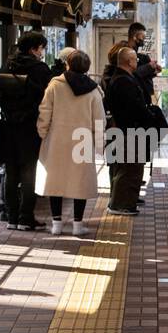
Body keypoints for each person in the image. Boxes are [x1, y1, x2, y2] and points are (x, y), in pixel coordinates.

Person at [37, 49, 104, 236]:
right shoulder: (94, 90)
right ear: (87, 67)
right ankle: (77, 225)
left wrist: (43, 133)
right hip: (82, 140)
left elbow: (45, 112)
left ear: (67, 64)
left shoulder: (55, 86)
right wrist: (99, 145)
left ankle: (56, 224)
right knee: (79, 182)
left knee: (55, 180)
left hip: (57, 138)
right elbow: (99, 120)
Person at [0, 31, 54, 231]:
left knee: (11, 172)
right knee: (29, 173)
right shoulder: (40, 69)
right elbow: (46, 97)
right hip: (29, 127)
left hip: (8, 126)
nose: (42, 52)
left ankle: (11, 217)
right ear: (34, 48)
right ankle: (25, 217)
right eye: (41, 48)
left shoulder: (7, 66)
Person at [104, 46, 161, 215]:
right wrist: (149, 117)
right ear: (129, 61)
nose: (137, 62)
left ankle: (124, 202)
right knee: (129, 169)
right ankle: (120, 205)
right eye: (135, 59)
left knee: (125, 168)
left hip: (125, 129)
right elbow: (134, 107)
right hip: (128, 131)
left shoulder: (121, 78)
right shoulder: (124, 82)